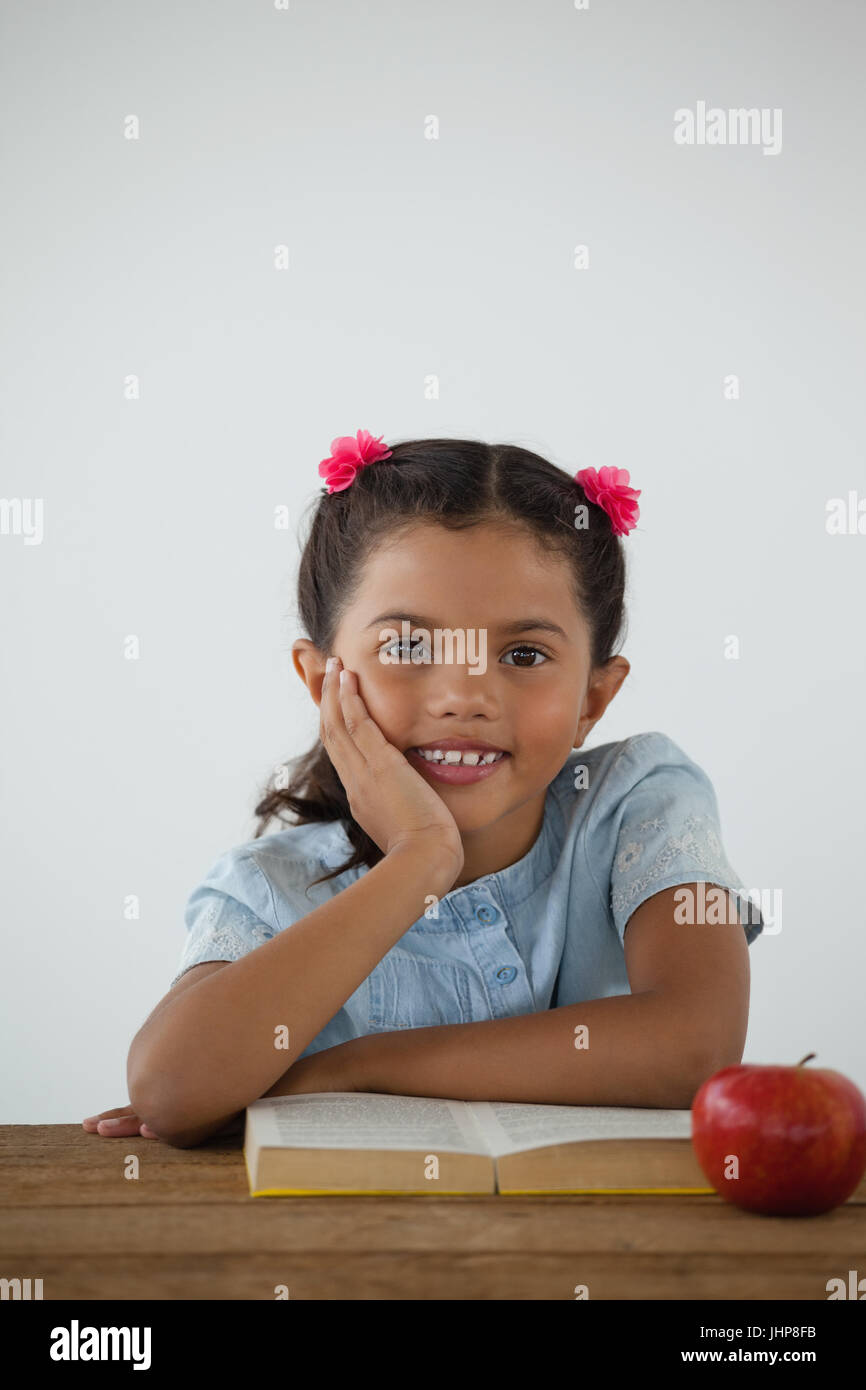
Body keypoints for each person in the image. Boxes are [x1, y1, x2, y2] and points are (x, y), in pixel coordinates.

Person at [83, 432, 763, 1148]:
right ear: (323, 682)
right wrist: (420, 856)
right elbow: (168, 1091)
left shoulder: (637, 801)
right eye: (409, 646)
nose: (464, 696)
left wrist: (354, 1068)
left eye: (523, 653)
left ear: (593, 698)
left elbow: (696, 1045)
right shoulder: (269, 888)